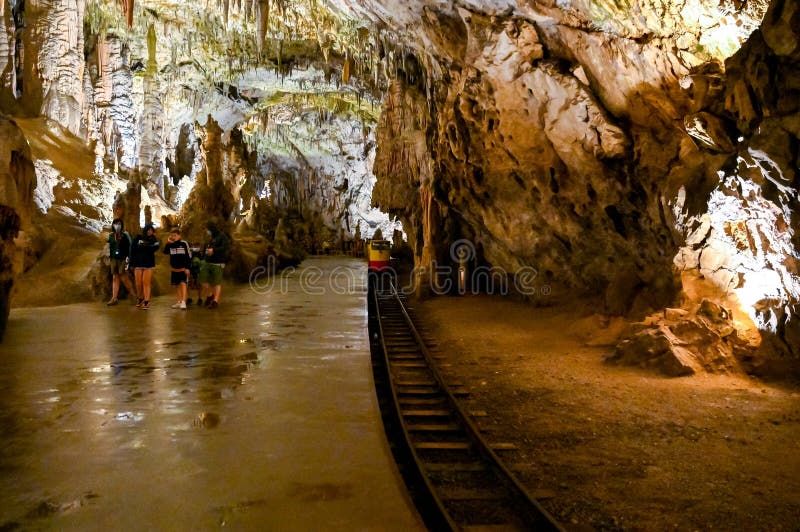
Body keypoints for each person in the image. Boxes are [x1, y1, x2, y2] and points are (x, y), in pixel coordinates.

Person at [198, 220, 231, 309]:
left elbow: (226, 247)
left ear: (211, 228)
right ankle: (210, 295)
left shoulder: (222, 236)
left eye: (207, 229)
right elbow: (207, 246)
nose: (206, 231)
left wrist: (214, 250)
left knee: (216, 282)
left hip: (218, 262)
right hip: (207, 261)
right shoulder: (210, 237)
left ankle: (215, 301)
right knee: (202, 280)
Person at [130, 223, 160, 310]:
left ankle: (147, 301)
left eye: (152, 230)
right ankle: (140, 297)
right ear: (145, 230)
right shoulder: (138, 238)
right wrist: (131, 262)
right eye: (149, 230)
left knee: (146, 282)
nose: (150, 232)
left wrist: (149, 242)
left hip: (148, 263)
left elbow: (155, 247)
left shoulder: (153, 239)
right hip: (138, 263)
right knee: (138, 283)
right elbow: (133, 249)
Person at [107, 218, 136, 306]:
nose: (117, 226)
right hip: (114, 259)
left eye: (119, 224)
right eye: (115, 224)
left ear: (122, 225)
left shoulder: (125, 234)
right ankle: (114, 298)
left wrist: (129, 259)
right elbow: (110, 246)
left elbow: (130, 247)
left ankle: (133, 294)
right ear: (113, 225)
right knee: (115, 277)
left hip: (123, 259)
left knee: (124, 277)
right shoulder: (111, 235)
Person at [162, 227, 191, 309]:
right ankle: (179, 301)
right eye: (172, 235)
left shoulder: (184, 243)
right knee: (177, 285)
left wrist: (187, 267)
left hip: (183, 268)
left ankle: (183, 301)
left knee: (183, 283)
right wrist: (168, 243)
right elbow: (165, 252)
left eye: (175, 235)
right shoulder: (171, 244)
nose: (173, 237)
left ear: (179, 235)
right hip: (174, 269)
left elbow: (188, 256)